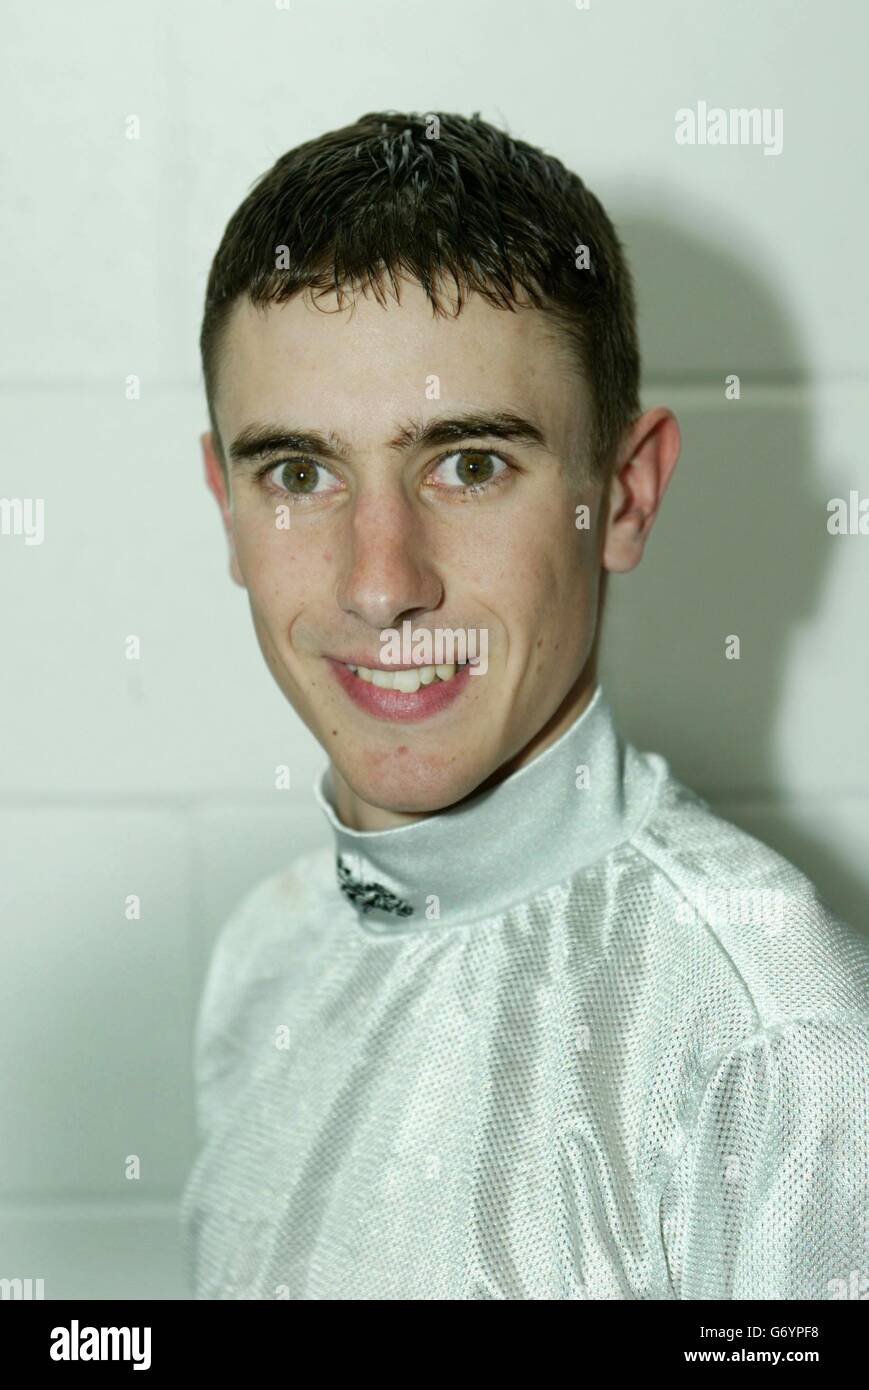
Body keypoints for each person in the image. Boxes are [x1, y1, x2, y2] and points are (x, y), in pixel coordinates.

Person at [180, 110, 868, 1300]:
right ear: (227, 506)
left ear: (625, 493)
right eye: (298, 473)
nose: (380, 582)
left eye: (470, 464)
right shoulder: (263, 953)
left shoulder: (774, 1033)